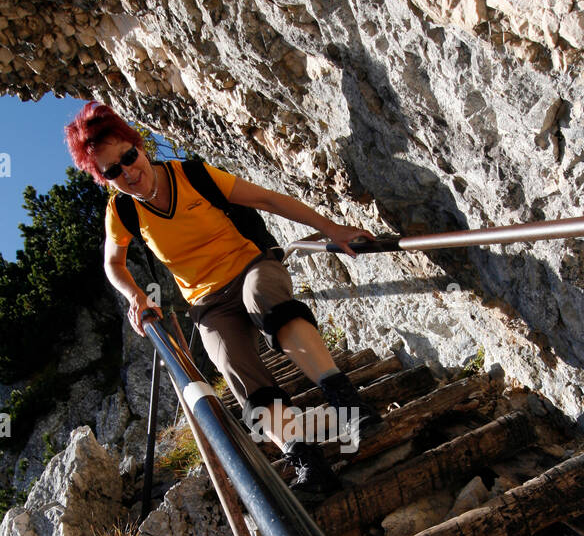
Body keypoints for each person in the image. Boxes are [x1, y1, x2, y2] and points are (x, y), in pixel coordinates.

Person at [64, 102, 382, 500]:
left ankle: (346, 402)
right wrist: (135, 294)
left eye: (129, 156)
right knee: (230, 361)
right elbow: (113, 262)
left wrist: (330, 229)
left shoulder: (191, 174)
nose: (128, 171)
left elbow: (268, 200)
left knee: (265, 300)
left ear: (139, 145)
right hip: (207, 303)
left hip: (250, 266)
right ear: (104, 179)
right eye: (113, 170)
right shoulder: (122, 211)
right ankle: (307, 461)